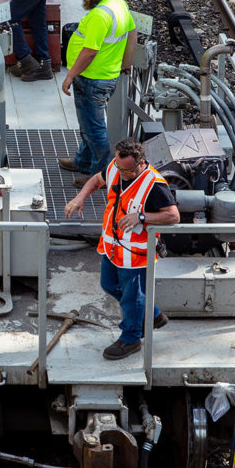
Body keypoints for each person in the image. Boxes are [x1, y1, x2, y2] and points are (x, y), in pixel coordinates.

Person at [64, 138, 179, 360]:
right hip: (113, 246)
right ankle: (152, 314)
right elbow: (98, 180)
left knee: (131, 297)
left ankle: (131, 338)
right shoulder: (116, 168)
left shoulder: (154, 185)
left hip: (135, 253)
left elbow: (173, 215)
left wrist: (142, 217)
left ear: (140, 163)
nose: (120, 172)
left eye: (125, 170)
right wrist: (80, 198)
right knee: (108, 284)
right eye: (117, 166)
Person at [59, 0, 137, 184]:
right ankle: (83, 162)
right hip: (105, 76)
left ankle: (100, 176)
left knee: (94, 129)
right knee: (88, 123)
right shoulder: (118, 4)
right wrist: (125, 65)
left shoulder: (100, 15)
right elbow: (132, 34)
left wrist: (70, 75)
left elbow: (90, 52)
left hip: (92, 79)